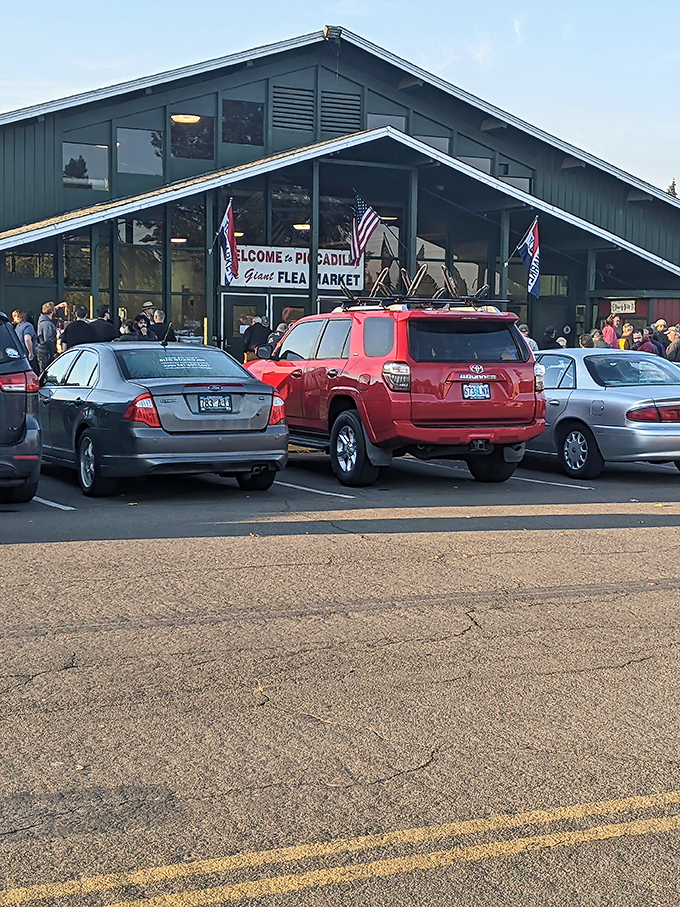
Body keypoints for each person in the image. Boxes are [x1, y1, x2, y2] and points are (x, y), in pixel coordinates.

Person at [36, 302, 58, 372]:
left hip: (42, 350)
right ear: (52, 311)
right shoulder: (47, 324)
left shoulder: (42, 321)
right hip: (46, 352)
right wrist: (54, 351)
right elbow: (48, 340)